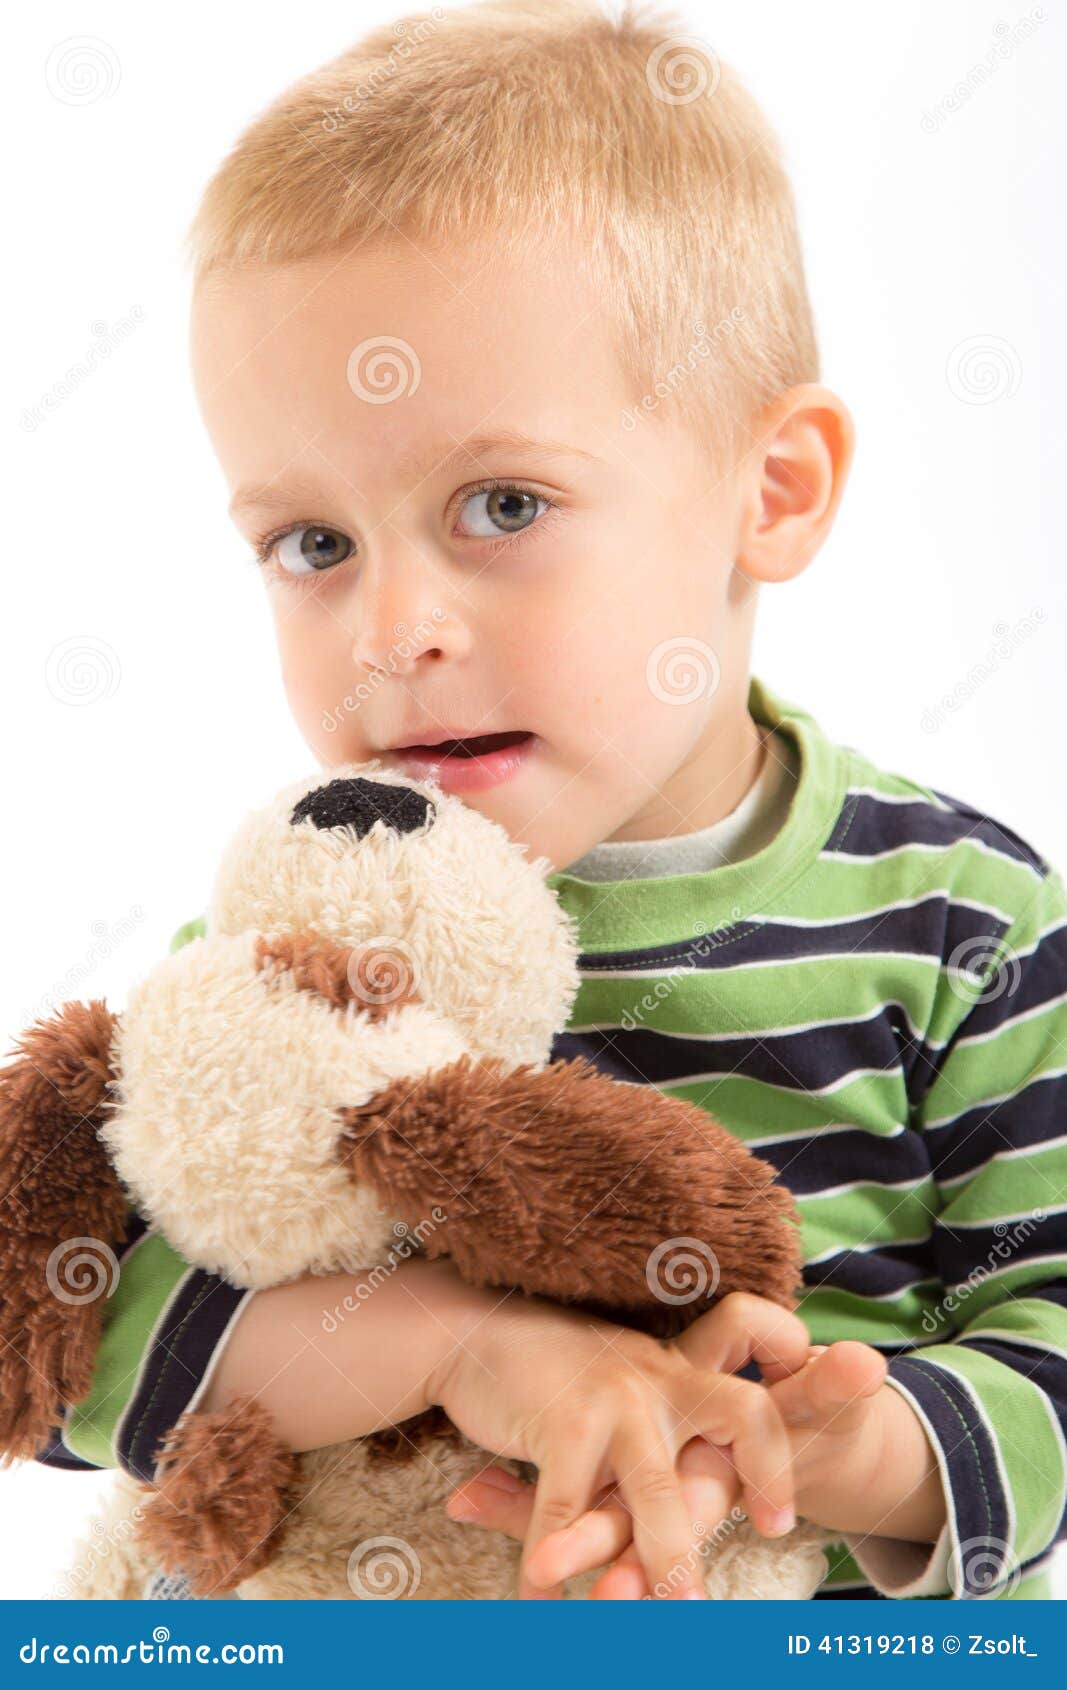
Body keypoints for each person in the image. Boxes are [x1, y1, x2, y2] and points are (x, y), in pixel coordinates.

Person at [35, 0, 1067, 1600]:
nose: (392, 632)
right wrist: (462, 1345)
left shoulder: (963, 925)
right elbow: (72, 1330)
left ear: (771, 492)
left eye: (501, 504)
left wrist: (865, 1450)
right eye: (313, 543)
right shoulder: (306, 932)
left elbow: (1057, 1328)